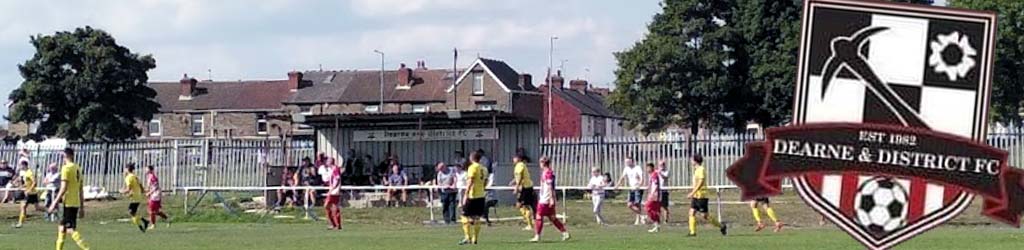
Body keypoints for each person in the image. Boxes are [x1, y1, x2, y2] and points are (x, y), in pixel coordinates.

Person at [49, 147, 90, 250]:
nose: (63, 158)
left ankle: (86, 248)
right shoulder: (78, 168)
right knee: (61, 228)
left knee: (69, 228)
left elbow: (63, 188)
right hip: (75, 202)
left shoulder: (66, 168)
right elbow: (80, 189)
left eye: (64, 155)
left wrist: (54, 202)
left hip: (68, 203)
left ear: (69, 155)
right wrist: (82, 207)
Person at [530, 156, 570, 242]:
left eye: (540, 162)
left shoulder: (548, 173)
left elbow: (549, 187)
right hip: (547, 198)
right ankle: (565, 233)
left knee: (538, 216)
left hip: (545, 199)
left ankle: (537, 236)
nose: (539, 164)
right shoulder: (547, 172)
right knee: (552, 218)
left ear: (543, 163)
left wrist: (551, 198)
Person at [687, 155, 727, 237]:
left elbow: (701, 182)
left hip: (702, 195)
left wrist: (692, 192)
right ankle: (692, 232)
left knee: (705, 215)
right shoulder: (696, 170)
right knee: (692, 212)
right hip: (696, 196)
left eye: (692, 160)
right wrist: (694, 193)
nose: (691, 161)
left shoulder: (701, 169)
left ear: (695, 161)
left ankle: (722, 226)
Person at [458, 151, 488, 245]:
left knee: (464, 216)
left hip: (472, 196)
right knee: (477, 217)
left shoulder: (472, 167)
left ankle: (467, 237)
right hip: (481, 196)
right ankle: (475, 238)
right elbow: (485, 182)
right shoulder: (484, 168)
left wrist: (466, 194)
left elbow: (470, 181)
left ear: (472, 158)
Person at [616, 157, 646, 225]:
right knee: (629, 204)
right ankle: (642, 216)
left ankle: (638, 219)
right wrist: (617, 185)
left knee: (637, 204)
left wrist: (640, 185)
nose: (627, 163)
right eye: (626, 162)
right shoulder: (626, 169)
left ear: (632, 161)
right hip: (631, 188)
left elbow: (642, 177)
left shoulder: (637, 168)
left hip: (637, 188)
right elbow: (622, 177)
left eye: (629, 161)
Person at [120, 163, 150, 233]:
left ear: (127, 169)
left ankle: (144, 222)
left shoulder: (128, 177)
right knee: (133, 213)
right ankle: (143, 224)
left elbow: (128, 189)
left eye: (125, 169)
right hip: (138, 197)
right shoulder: (135, 176)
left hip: (134, 197)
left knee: (131, 212)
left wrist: (122, 191)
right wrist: (144, 191)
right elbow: (141, 187)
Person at [510, 154, 536, 231]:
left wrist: (516, 187)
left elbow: (520, 177)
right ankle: (530, 221)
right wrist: (513, 181)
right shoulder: (522, 165)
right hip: (528, 187)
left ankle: (529, 224)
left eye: (514, 158)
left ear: (518, 159)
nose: (513, 160)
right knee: (525, 206)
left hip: (525, 188)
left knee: (522, 206)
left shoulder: (519, 165)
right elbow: (520, 176)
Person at [15, 160, 43, 228]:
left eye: (21, 165)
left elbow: (34, 182)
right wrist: (21, 187)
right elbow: (27, 183)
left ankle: (20, 223)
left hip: (31, 193)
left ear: (24, 165)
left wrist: (29, 190)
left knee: (24, 206)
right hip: (30, 193)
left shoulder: (29, 173)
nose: (20, 167)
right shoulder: (25, 173)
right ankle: (51, 210)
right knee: (36, 208)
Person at [324, 157, 344, 230]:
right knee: (332, 207)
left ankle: (335, 224)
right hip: (333, 190)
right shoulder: (332, 169)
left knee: (327, 206)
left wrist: (333, 188)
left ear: (330, 162)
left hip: (334, 192)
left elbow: (338, 179)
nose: (326, 162)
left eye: (327, 161)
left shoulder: (335, 169)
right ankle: (336, 225)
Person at [645, 163, 663, 233]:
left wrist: (652, 194)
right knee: (655, 210)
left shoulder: (654, 174)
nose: (647, 169)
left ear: (652, 168)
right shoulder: (652, 175)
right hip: (654, 195)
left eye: (648, 168)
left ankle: (656, 223)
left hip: (655, 195)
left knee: (647, 208)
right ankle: (657, 226)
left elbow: (655, 185)